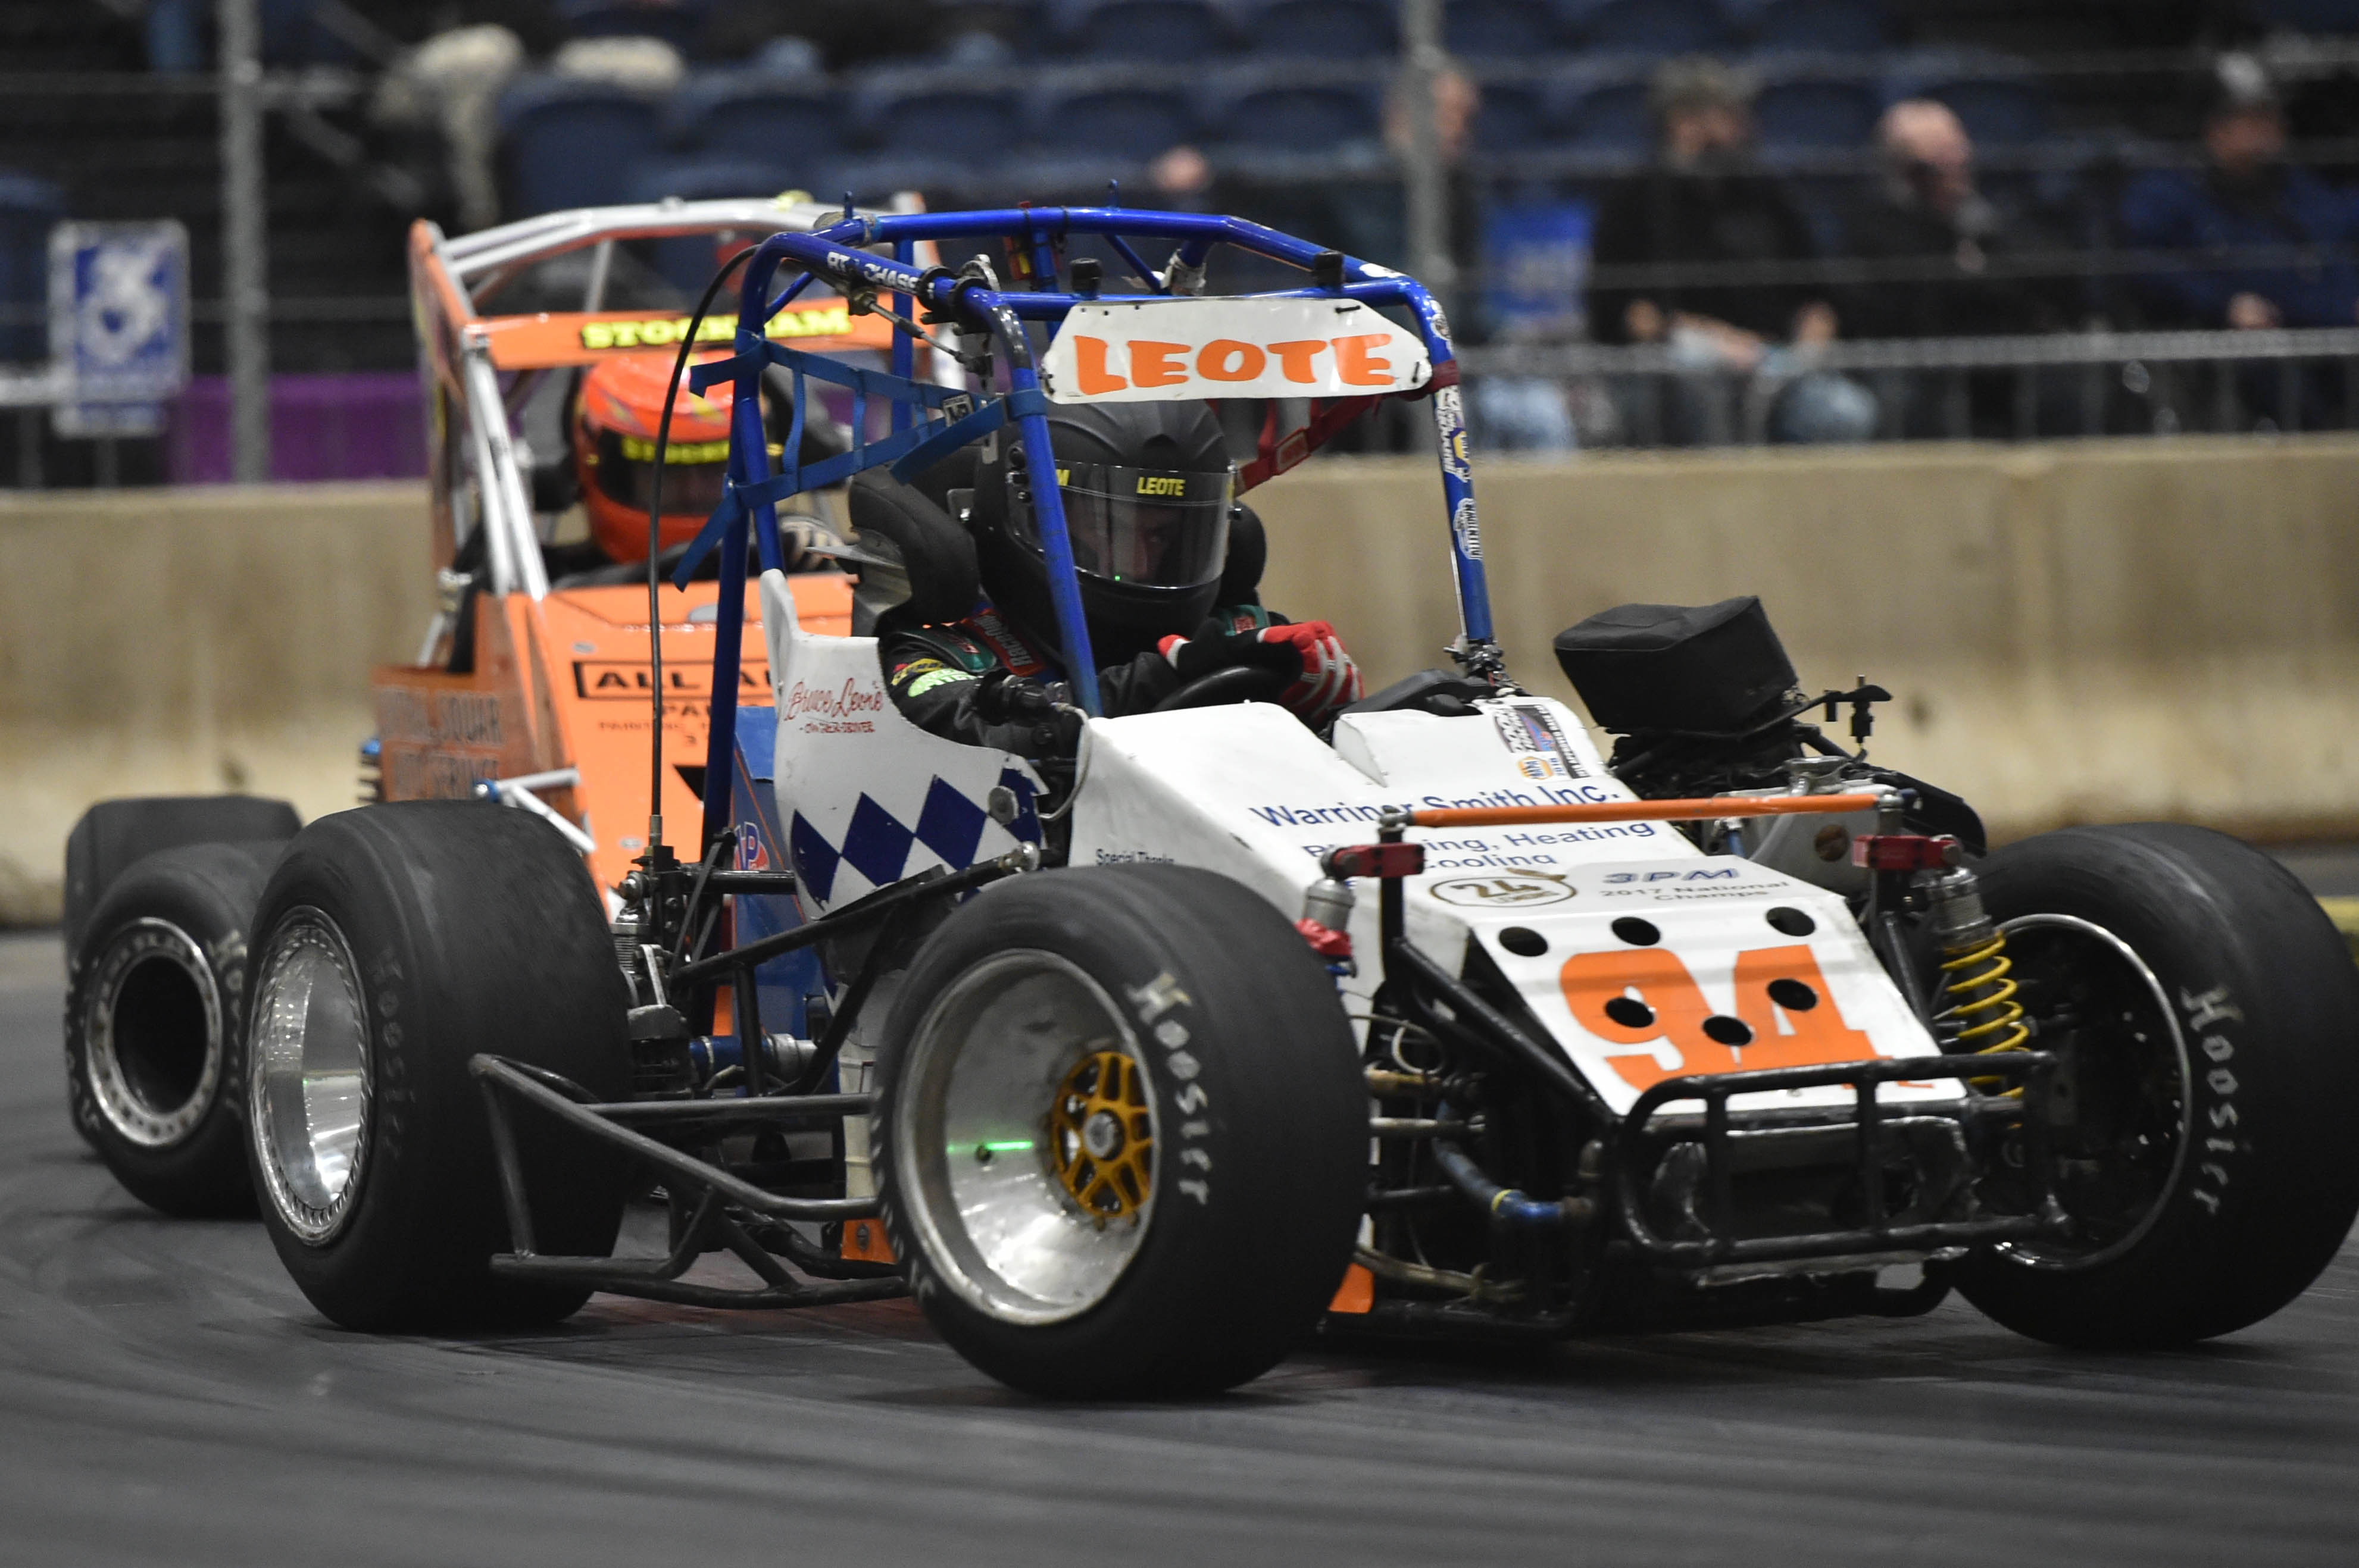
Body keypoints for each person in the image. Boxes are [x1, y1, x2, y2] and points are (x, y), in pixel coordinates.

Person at [872, 401, 1361, 758]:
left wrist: (1325, 710)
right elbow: (969, 731)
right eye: (1119, 532)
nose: (1146, 565)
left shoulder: (1228, 633)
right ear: (1034, 517)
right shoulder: (938, 649)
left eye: (1169, 537)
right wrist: (1164, 678)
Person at [1589, 57, 1876, 445]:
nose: (1729, 130)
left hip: (1773, 365)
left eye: (1732, 116)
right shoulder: (1635, 199)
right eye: (1710, 116)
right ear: (1675, 122)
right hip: (1679, 368)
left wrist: (1801, 353)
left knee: (1842, 411)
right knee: (1696, 380)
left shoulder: (1767, 193)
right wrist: (1713, 340)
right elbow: (1624, 313)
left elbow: (1818, 297)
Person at [1834, 100, 2072, 437]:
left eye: (1958, 148)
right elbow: (1900, 307)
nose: (1958, 161)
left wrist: (1974, 275)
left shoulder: (1995, 214)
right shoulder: (1874, 226)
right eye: (1939, 154)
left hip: (2002, 359)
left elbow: (2046, 274)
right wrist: (1972, 273)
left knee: (2066, 390)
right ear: (1905, 168)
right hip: (1916, 367)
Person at [2120, 53, 2359, 333]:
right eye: (2254, 117)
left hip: (2317, 347)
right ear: (2215, 129)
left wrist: (2348, 302)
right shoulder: (2167, 193)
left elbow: (2334, 241)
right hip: (2223, 357)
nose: (2272, 127)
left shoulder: (2298, 185)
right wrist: (2224, 303)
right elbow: (2145, 264)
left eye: (2272, 114)